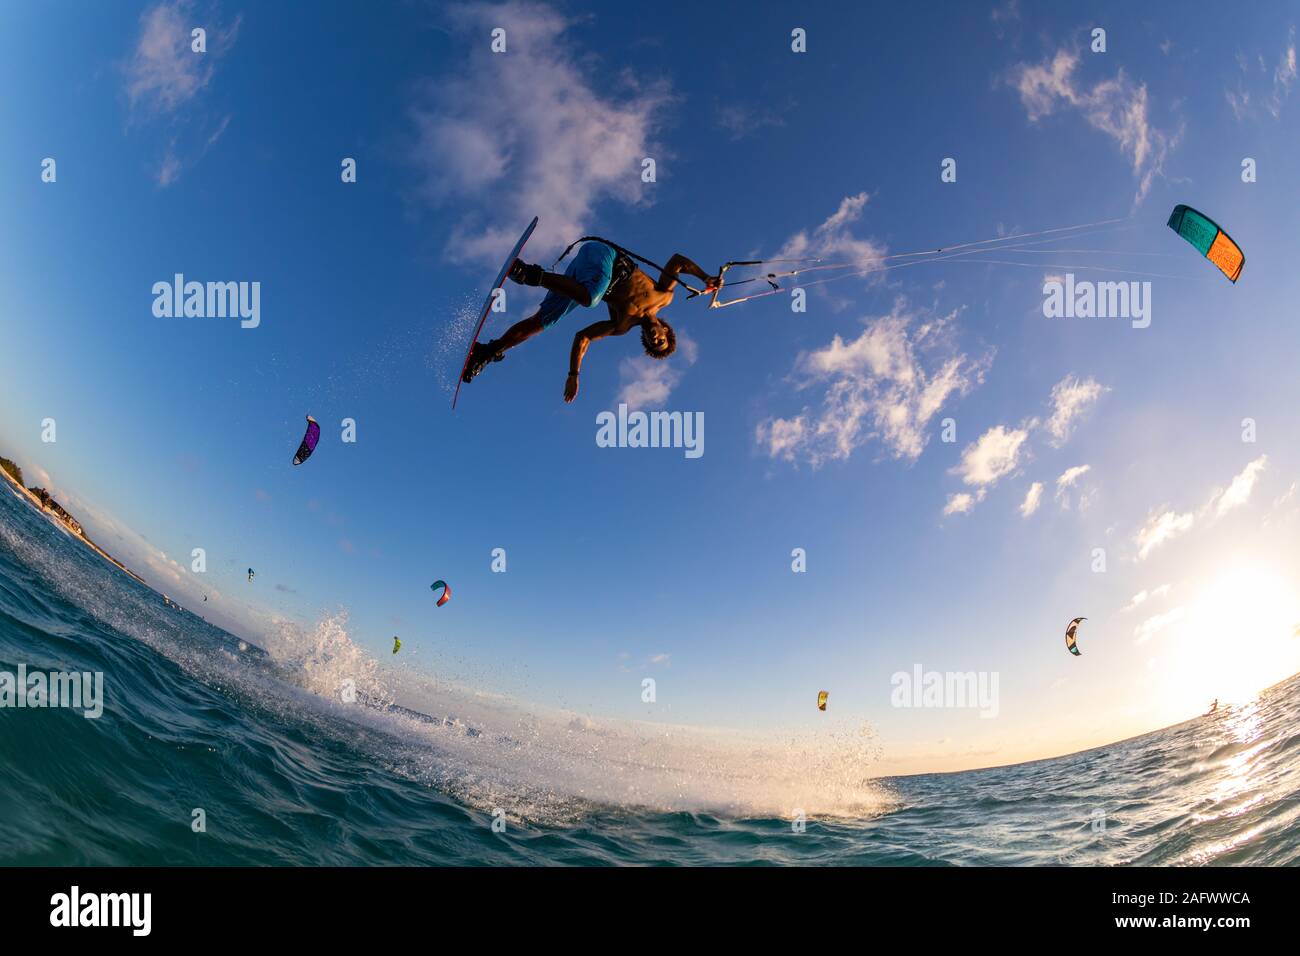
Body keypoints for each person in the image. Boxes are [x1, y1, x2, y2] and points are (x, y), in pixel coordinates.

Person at [462, 240, 718, 402]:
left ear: (646, 341)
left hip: (585, 278)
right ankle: (527, 273)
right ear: (666, 329)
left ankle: (488, 351)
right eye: (661, 339)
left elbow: (582, 337)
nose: (655, 338)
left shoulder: (621, 325)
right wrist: (706, 278)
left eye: (654, 344)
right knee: (592, 299)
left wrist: (574, 374)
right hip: (605, 256)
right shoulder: (665, 296)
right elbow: (677, 261)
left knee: (544, 321)